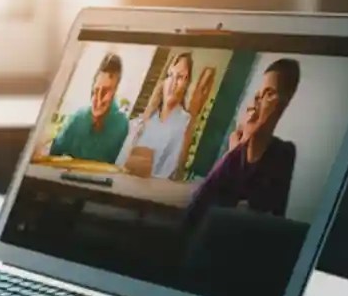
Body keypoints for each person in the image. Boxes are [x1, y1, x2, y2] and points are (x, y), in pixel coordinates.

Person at [186, 58, 301, 226]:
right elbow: (195, 213)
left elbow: (271, 217)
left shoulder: (283, 153)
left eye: (269, 94)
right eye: (258, 95)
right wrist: (240, 147)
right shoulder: (234, 157)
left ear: (285, 102)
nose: (256, 103)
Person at [49, 53, 130, 163]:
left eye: (105, 91)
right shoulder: (77, 118)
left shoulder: (122, 126)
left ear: (115, 91)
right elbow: (53, 155)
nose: (98, 99)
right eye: (96, 90)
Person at [124, 52, 195, 179]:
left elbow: (170, 173)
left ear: (187, 83)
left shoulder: (184, 122)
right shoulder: (145, 120)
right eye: (170, 75)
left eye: (179, 77)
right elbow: (123, 163)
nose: (173, 83)